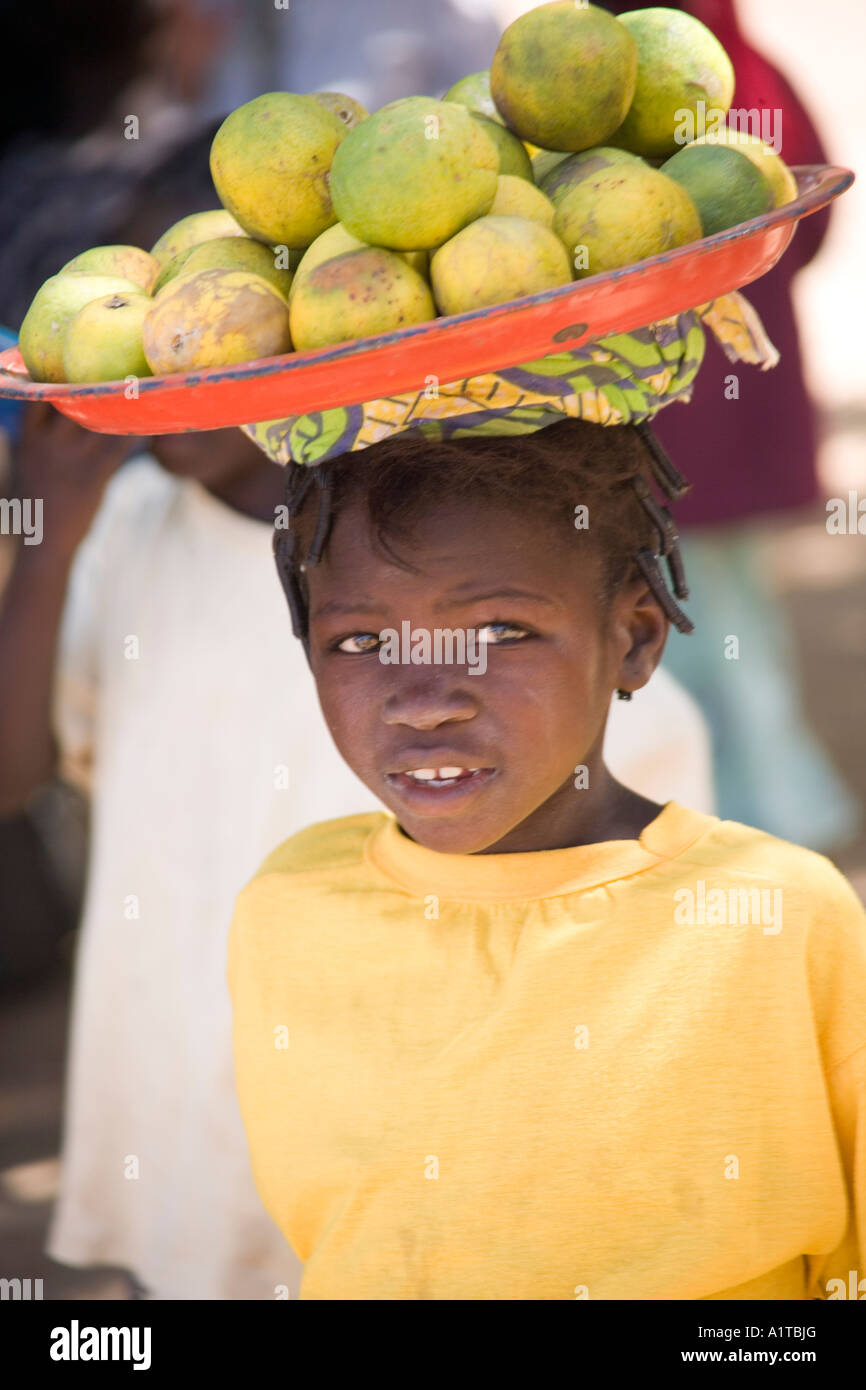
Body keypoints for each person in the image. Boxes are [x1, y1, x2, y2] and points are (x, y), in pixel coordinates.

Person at [228, 417, 866, 1300]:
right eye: (362, 642)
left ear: (636, 638)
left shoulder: (776, 912)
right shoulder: (290, 907)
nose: (423, 702)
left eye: (499, 630)